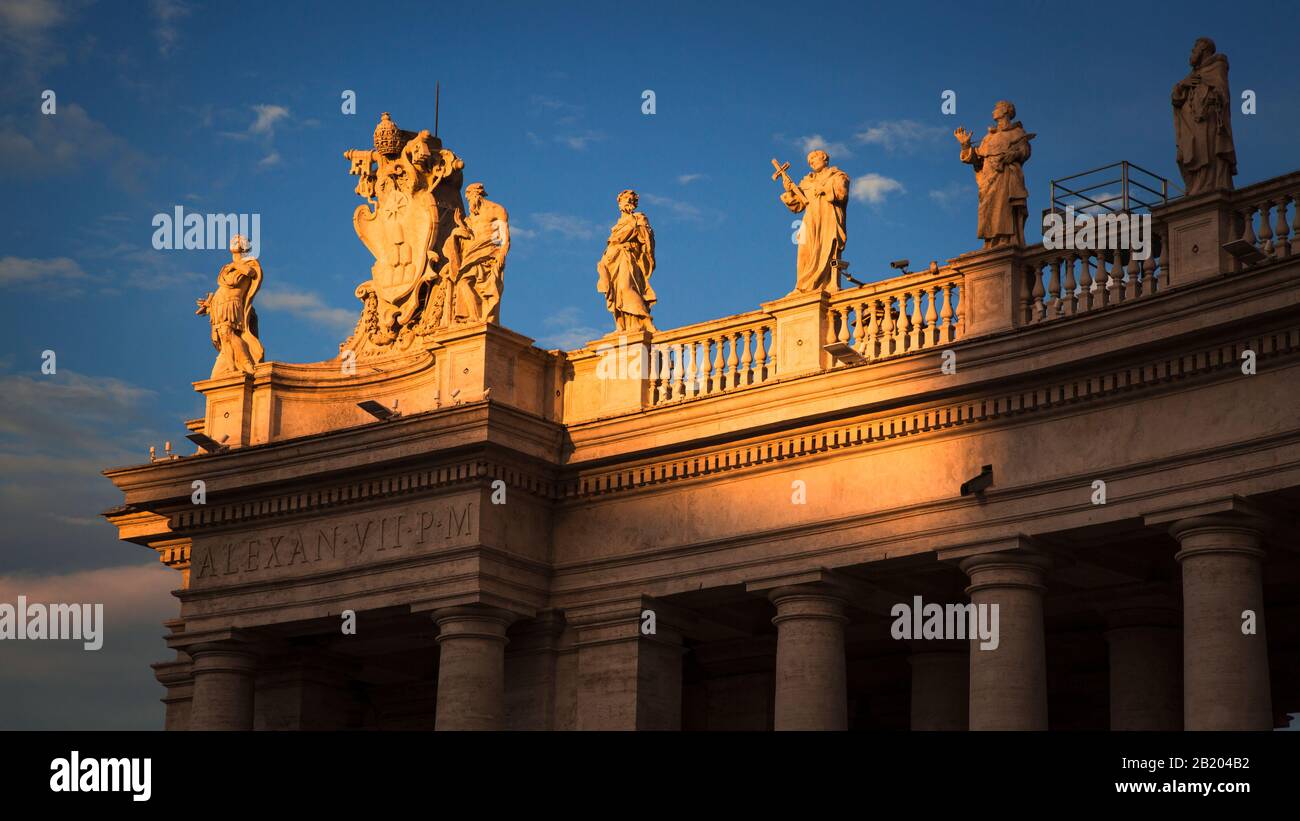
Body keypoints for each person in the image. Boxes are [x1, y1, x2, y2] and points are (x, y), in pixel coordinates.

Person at [954, 101, 1033, 248]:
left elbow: (1025, 150)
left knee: (1003, 206)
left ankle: (1005, 240)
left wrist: (1013, 154)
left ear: (1005, 111)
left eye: (996, 108)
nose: (993, 111)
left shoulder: (1017, 132)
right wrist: (965, 145)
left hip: (1005, 174)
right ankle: (990, 242)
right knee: (987, 208)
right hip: (987, 178)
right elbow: (976, 158)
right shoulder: (988, 137)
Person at [596, 190, 657, 333]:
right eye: (625, 199)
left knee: (626, 287)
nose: (628, 202)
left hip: (626, 257)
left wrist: (636, 229)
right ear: (619, 203)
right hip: (611, 259)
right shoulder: (617, 224)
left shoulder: (639, 218)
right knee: (614, 292)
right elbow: (611, 243)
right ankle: (621, 326)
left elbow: (647, 238)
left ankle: (644, 320)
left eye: (631, 200)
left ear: (635, 203)